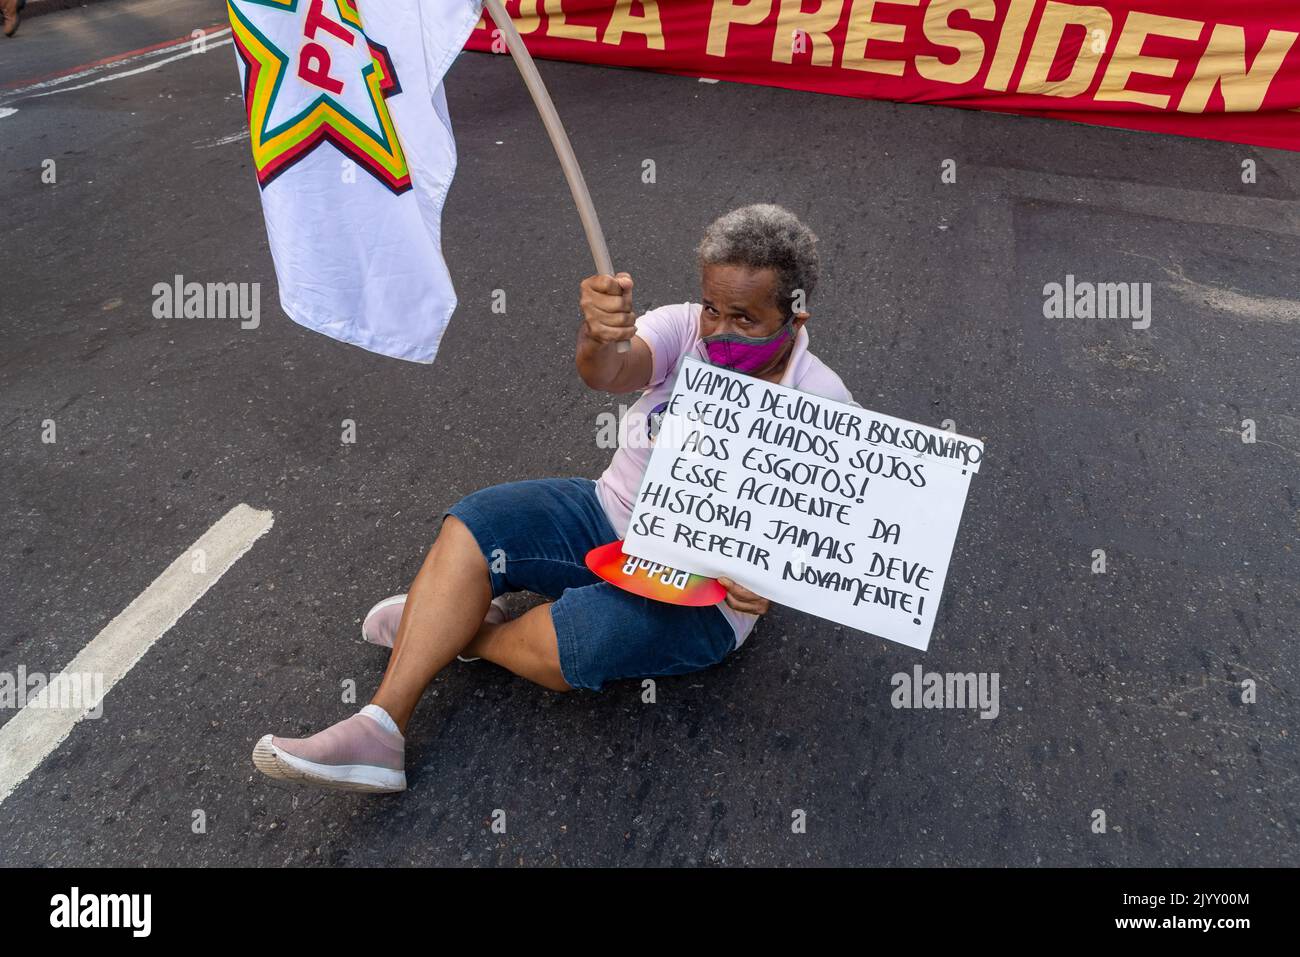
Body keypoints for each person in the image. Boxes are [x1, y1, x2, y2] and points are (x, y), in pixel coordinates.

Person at [252, 203, 857, 793]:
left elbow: (827, 544)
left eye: (744, 318)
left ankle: (460, 629)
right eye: (712, 309)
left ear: (795, 317)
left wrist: (779, 578)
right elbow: (609, 372)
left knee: (567, 646)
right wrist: (600, 333)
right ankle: (378, 730)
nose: (720, 332)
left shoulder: (826, 404)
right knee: (477, 522)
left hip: (703, 589)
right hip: (607, 514)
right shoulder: (680, 328)